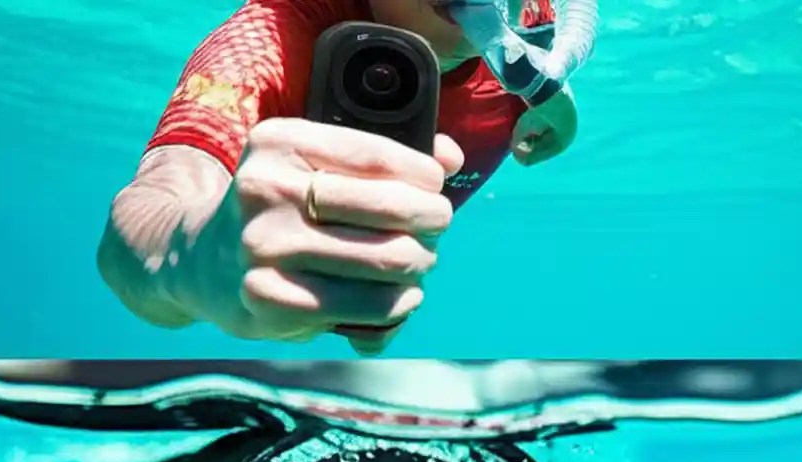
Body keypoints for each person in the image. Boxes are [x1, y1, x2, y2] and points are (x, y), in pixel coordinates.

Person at [98, 0, 582, 355]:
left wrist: (558, 110)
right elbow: (139, 226)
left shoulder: (531, 18)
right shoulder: (275, 38)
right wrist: (202, 258)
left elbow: (542, 64)